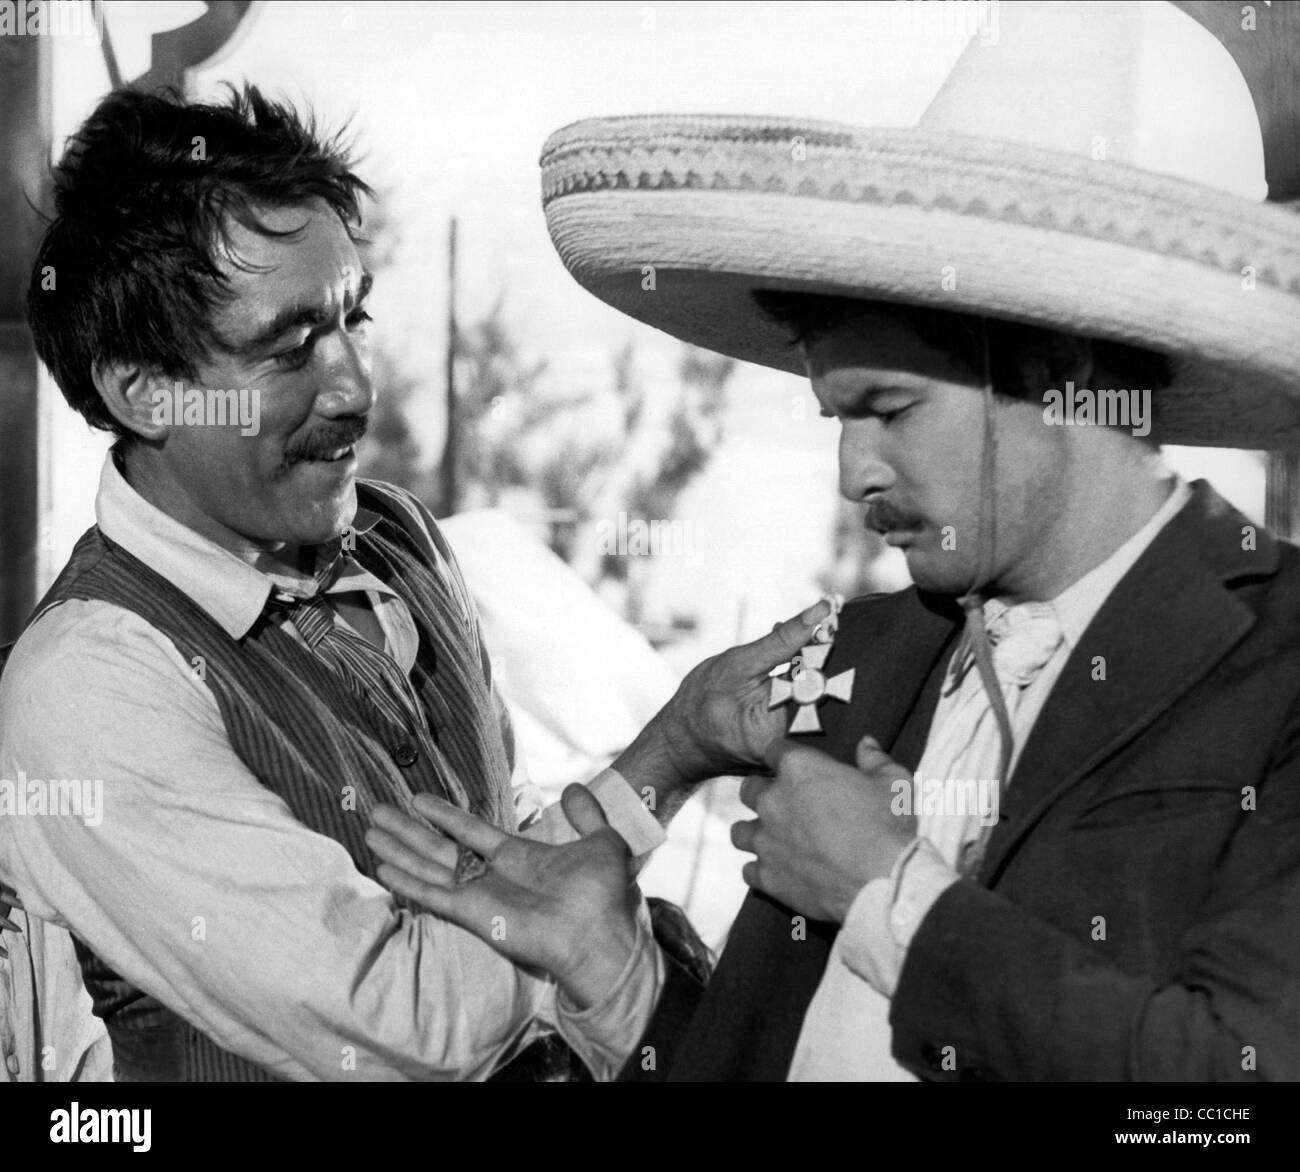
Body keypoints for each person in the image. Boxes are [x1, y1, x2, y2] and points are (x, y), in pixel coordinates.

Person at [369, 0, 1300, 1080]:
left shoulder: (1275, 666)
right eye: (837, 417)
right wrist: (615, 971)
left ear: (1057, 375)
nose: (854, 473)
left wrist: (893, 894)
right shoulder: (858, 661)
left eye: (892, 410)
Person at [0, 82, 823, 1082]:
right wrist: (601, 958)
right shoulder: (89, 683)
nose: (353, 387)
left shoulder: (396, 539)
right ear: (144, 388)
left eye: (356, 318)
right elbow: (400, 1016)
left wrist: (678, 744)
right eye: (290, 345)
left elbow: (505, 864)